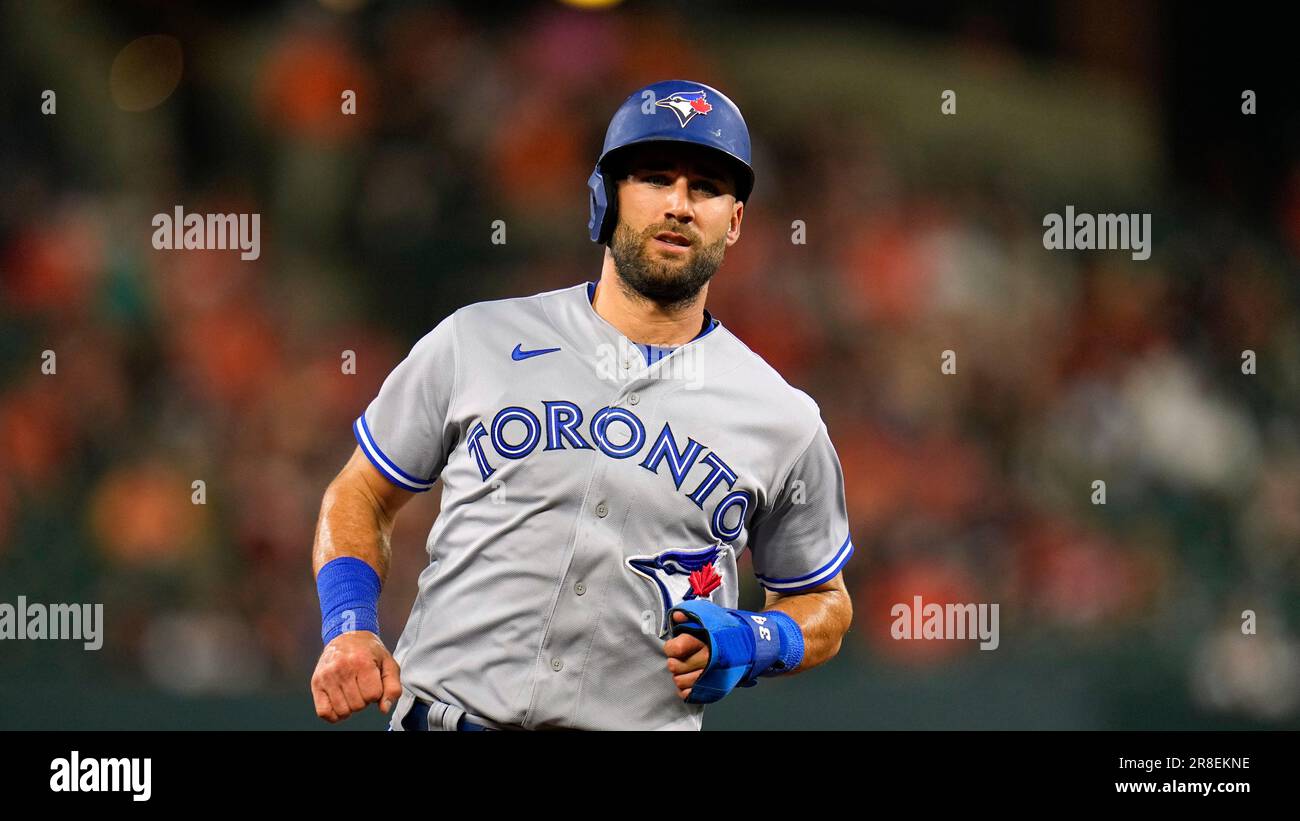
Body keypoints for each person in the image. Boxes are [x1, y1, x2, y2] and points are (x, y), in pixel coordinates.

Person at [310, 80, 854, 731]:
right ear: (605, 197)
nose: (680, 205)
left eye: (707, 188)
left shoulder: (782, 418)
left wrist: (760, 637)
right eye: (655, 178)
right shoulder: (477, 341)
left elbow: (822, 599)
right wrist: (348, 625)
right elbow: (360, 493)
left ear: (734, 220)